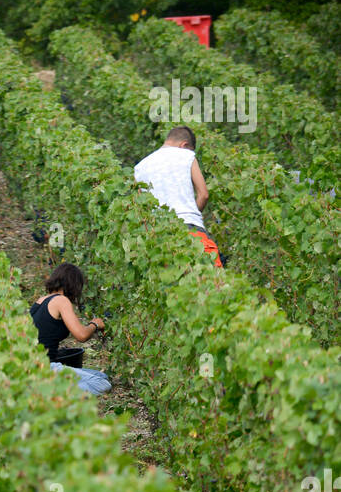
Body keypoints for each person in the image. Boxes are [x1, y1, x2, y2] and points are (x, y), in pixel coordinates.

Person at [133, 126, 223, 267]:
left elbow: (140, 210)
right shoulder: (186, 156)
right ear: (184, 145)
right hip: (190, 229)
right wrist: (192, 212)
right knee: (214, 282)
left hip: (159, 238)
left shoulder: (140, 168)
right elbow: (203, 195)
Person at [30, 263, 111, 395]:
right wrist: (95, 324)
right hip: (45, 368)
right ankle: (52, 394)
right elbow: (81, 335)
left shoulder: (41, 300)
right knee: (101, 384)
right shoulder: (61, 301)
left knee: (101, 376)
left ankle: (49, 389)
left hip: (32, 367)